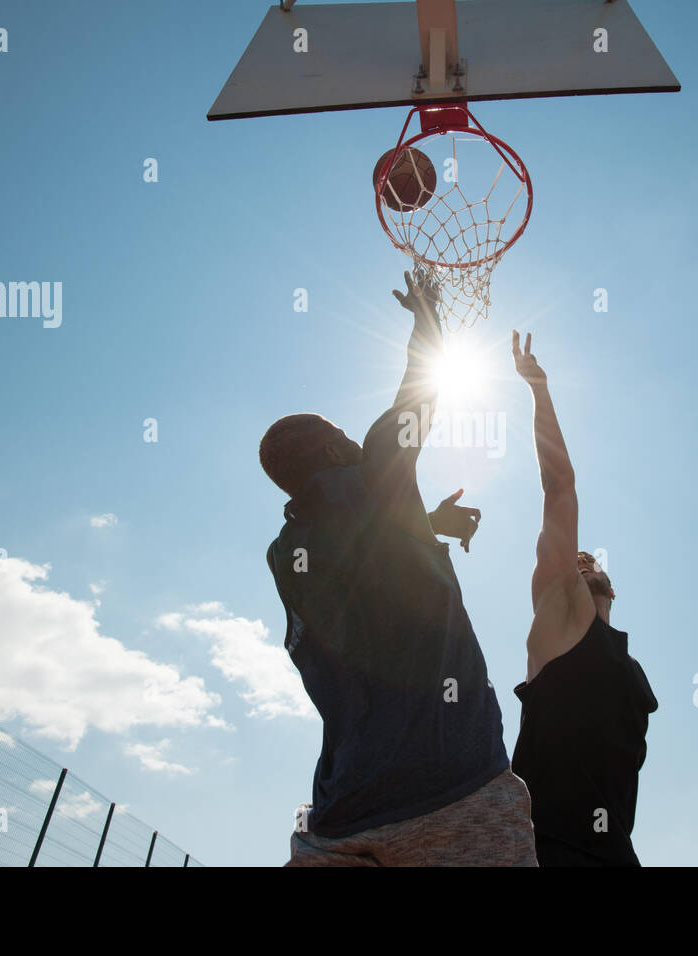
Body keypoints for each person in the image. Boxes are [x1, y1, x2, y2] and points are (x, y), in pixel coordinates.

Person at [259, 271, 536, 866]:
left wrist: (424, 524)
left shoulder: (285, 556)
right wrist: (426, 316)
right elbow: (417, 396)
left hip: (342, 820)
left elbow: (362, 560)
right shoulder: (376, 473)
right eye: (340, 434)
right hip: (456, 791)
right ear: (335, 450)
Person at [508, 330, 659, 866]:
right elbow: (560, 488)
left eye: (591, 559)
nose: (581, 559)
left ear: (610, 585)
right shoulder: (559, 613)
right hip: (547, 851)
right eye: (575, 558)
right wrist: (539, 391)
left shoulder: (628, 666)